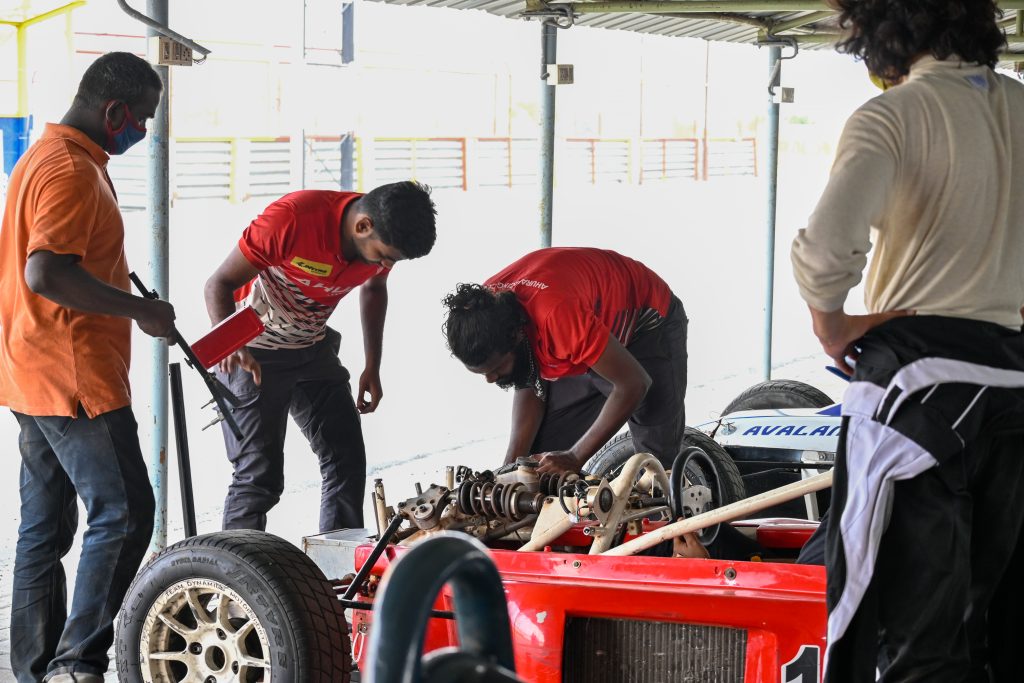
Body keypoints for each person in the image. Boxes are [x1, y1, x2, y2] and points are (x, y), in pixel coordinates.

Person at [790, 1, 1024, 680]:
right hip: (1014, 385)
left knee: (906, 636)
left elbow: (828, 245)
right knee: (993, 626)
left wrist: (830, 323)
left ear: (882, 29)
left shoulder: (895, 115)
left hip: (923, 392)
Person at [0, 52, 175, 683]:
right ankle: (75, 666)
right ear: (115, 111)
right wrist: (140, 312)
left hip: (29, 369)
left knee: (44, 528)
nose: (144, 131)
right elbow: (46, 271)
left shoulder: (44, 157)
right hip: (75, 379)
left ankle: (35, 670)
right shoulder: (72, 170)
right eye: (144, 118)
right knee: (125, 513)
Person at [205, 182, 436, 533]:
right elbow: (217, 284)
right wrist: (232, 345)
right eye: (384, 256)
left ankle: (336, 571)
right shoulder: (293, 219)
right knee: (258, 477)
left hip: (312, 348)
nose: (386, 264)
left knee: (346, 460)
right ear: (362, 226)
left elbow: (374, 288)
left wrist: (372, 364)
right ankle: (237, 580)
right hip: (255, 353)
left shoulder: (380, 236)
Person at [442, 247, 687, 474]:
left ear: (516, 336)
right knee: (534, 465)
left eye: (495, 369)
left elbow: (634, 384)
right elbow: (529, 381)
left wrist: (575, 456)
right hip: (584, 330)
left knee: (656, 466)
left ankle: (676, 510)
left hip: (646, 325)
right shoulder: (484, 309)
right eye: (482, 373)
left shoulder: (556, 317)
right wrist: (508, 471)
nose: (490, 379)